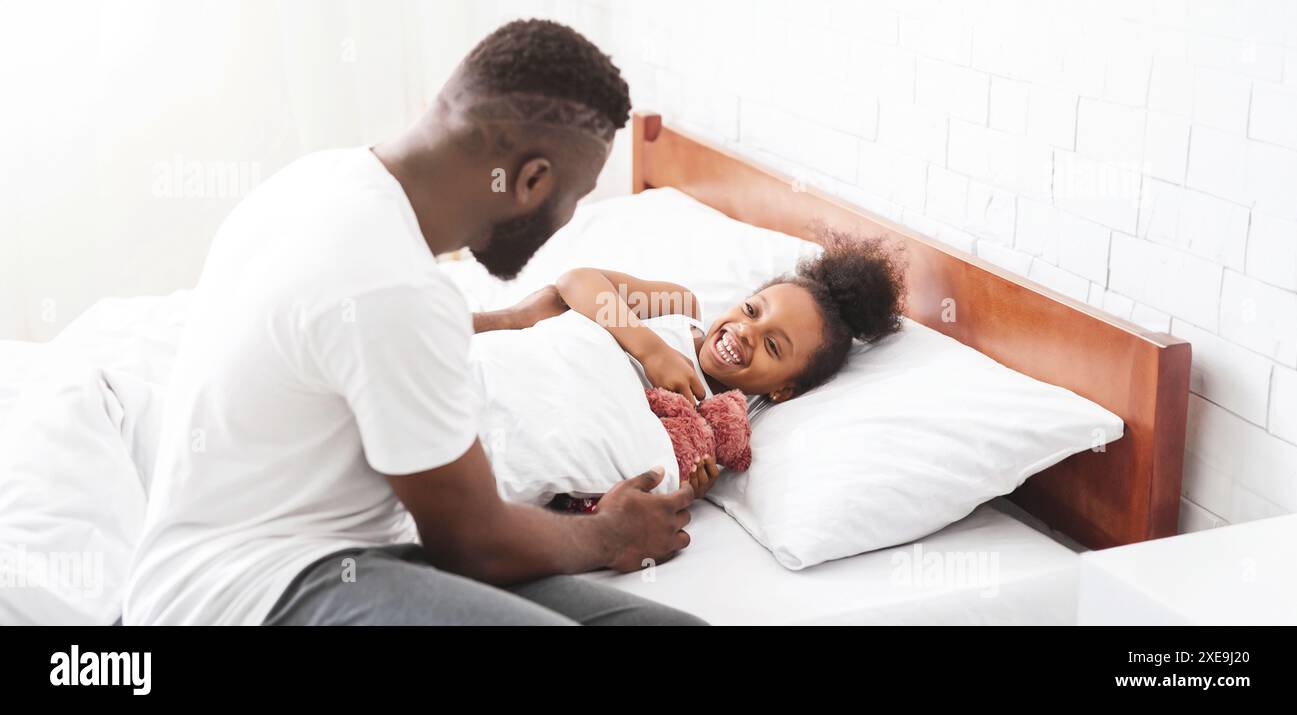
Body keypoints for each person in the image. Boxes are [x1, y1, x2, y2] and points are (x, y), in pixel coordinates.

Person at [123, 19, 705, 626]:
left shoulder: (316, 182)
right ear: (531, 180)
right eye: (577, 197)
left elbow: (352, 343)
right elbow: (474, 542)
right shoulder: (392, 282)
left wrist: (508, 319)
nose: (568, 222)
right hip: (253, 594)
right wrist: (610, 536)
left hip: (358, 557)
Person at [481, 230, 905, 498]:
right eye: (752, 310)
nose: (744, 333)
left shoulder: (717, 435)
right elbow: (577, 282)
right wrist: (651, 348)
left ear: (783, 391)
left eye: (772, 347)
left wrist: (685, 491)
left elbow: (626, 475)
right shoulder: (679, 310)